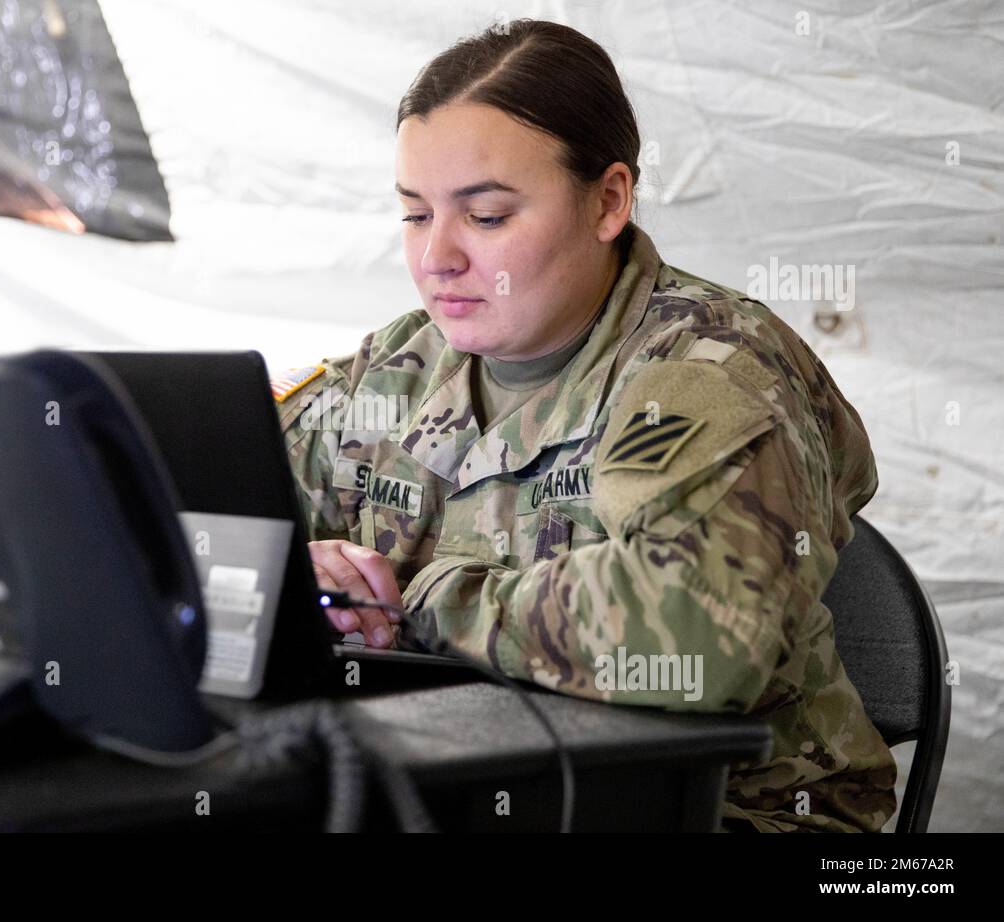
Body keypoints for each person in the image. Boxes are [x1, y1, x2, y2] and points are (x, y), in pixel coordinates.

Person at [274, 19, 896, 832]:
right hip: (460, 792)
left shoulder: (706, 371)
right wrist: (299, 579)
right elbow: (197, 535)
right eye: (416, 215)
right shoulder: (395, 371)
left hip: (717, 813)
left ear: (608, 201)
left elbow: (698, 636)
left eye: (487, 216)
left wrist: (429, 602)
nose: (438, 257)